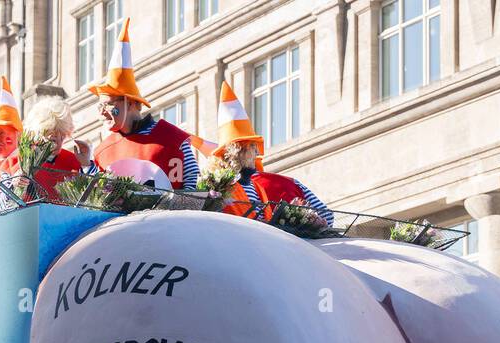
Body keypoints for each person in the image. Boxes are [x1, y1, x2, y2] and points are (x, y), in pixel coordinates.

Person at [87, 18, 200, 191]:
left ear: (130, 102)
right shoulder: (101, 152)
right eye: (99, 107)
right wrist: (85, 164)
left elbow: (192, 183)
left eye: (107, 105)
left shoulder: (174, 138)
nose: (102, 113)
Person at [205, 81, 333, 227]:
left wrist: (289, 216)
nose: (258, 153)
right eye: (253, 148)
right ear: (238, 150)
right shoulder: (219, 186)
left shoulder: (257, 188)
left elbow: (263, 224)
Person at [21, 97, 84, 201]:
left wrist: (86, 164)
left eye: (62, 136)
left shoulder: (73, 161)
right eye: (52, 139)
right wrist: (15, 185)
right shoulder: (18, 161)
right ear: (38, 135)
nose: (58, 144)